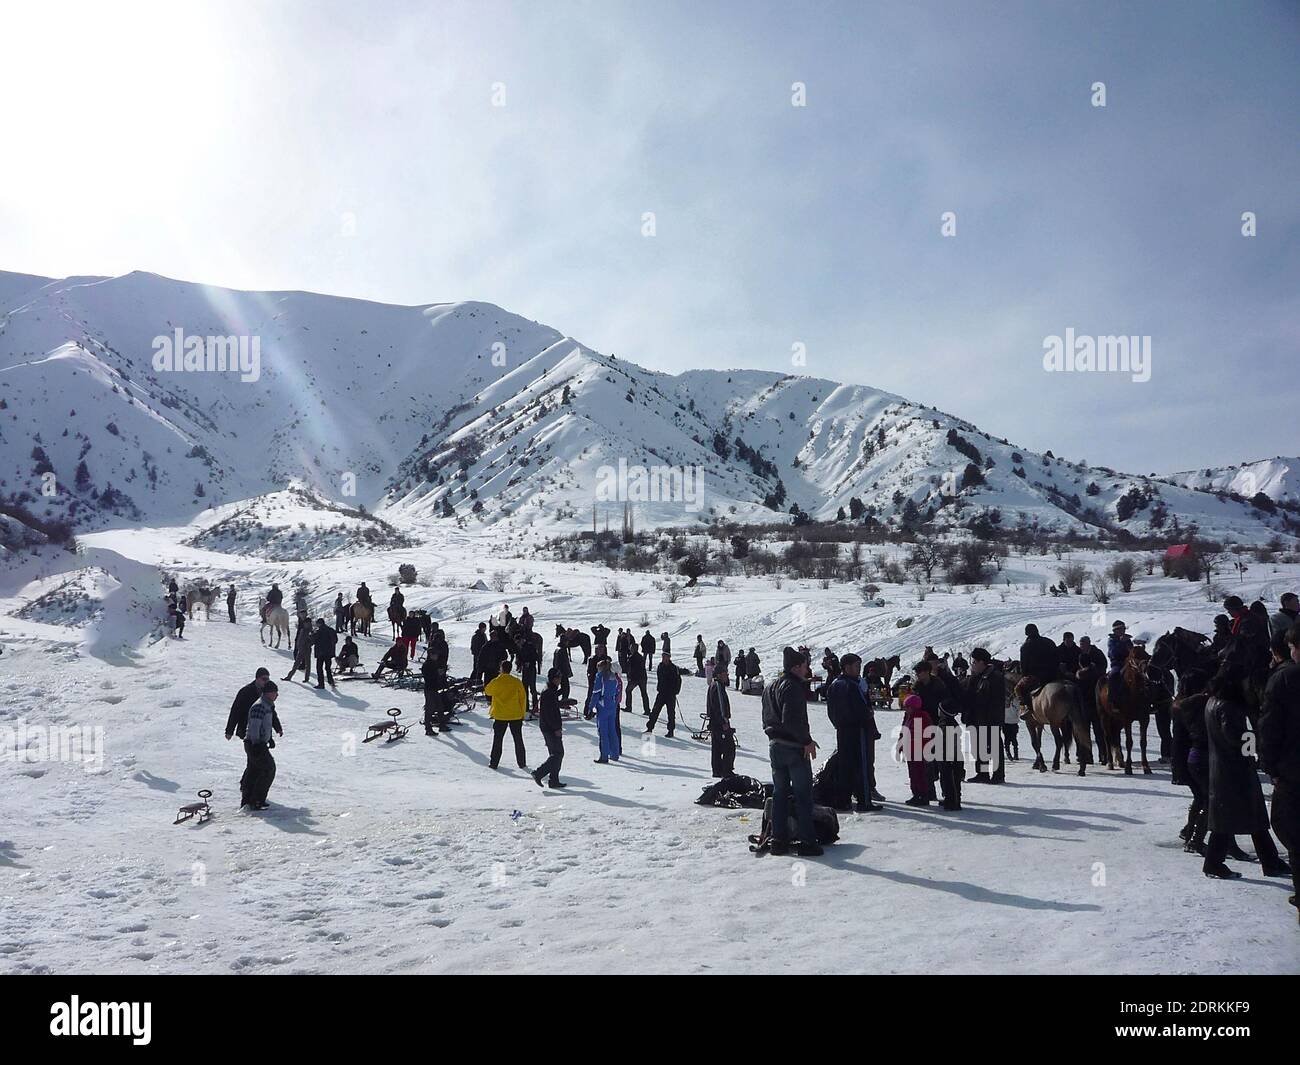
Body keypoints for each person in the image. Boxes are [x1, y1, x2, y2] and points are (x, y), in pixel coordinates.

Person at [1202, 664, 1291, 880]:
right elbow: (1236, 737)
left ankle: (1269, 860)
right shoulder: (1230, 707)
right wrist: (1254, 744)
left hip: (1224, 769)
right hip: (1234, 770)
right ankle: (1213, 863)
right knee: (1229, 820)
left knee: (1253, 817)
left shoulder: (1213, 702)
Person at [762, 647, 821, 856]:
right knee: (802, 795)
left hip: (775, 745)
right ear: (796, 667)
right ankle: (807, 842)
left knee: (779, 794)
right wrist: (806, 741)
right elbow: (792, 720)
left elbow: (768, 718)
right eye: (805, 666)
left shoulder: (770, 686)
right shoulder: (793, 687)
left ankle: (778, 840)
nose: (807, 670)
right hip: (794, 748)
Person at [1258, 622, 1300, 915]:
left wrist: (1269, 764)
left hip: (1292, 771)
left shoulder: (1284, 678)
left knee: (1288, 828)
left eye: (1294, 647)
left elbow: (1269, 728)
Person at [826, 653, 878, 812]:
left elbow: (831, 711)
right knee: (861, 764)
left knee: (845, 765)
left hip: (842, 730)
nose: (858, 669)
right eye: (856, 666)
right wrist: (868, 714)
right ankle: (864, 800)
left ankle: (843, 799)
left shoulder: (835, 684)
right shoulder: (851, 685)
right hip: (857, 729)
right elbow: (861, 709)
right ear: (847, 667)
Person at [966, 648, 1005, 784]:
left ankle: (998, 774)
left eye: (975, 662)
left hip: (991, 718)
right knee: (980, 748)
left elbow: (995, 701)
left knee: (994, 747)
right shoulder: (976, 677)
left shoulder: (995, 677)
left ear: (982, 662)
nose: (973, 665)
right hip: (978, 718)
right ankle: (982, 773)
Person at [242, 681, 283, 810]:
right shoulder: (260, 706)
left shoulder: (267, 705)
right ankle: (256, 800)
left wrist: (269, 738)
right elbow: (254, 726)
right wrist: (256, 744)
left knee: (254, 771)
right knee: (268, 769)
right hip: (255, 744)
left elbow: (264, 726)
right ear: (269, 693)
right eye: (275, 692)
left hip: (258, 743)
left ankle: (249, 799)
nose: (277, 695)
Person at [485, 660, 528, 771]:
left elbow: (488, 691)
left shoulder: (497, 681)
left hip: (500, 715)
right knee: (518, 739)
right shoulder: (516, 681)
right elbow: (523, 698)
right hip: (515, 714)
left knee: (498, 740)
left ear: (501, 668)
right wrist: (523, 713)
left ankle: (494, 763)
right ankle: (522, 762)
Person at [532, 669, 567, 788]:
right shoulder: (549, 692)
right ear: (554, 679)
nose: (560, 680)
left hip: (548, 727)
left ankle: (554, 780)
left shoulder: (550, 691)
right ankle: (539, 773)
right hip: (550, 728)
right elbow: (549, 714)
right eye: (558, 678)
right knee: (558, 753)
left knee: (555, 754)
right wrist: (556, 728)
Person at [900, 692, 934, 806]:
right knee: (913, 774)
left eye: (907, 707)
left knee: (920, 774)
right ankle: (916, 794)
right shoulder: (908, 717)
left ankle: (923, 795)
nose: (905, 709)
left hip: (919, 751)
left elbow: (926, 736)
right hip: (911, 751)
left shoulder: (921, 717)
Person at [590, 656, 623, 763]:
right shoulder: (614, 677)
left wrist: (591, 707)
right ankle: (615, 754)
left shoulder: (600, 677)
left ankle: (604, 755)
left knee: (603, 732)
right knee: (612, 730)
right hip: (612, 705)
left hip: (603, 705)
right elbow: (618, 691)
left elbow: (596, 693)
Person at [225, 668, 271, 741]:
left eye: (268, 679)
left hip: (261, 731)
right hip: (246, 731)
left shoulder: (267, 693)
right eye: (264, 679)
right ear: (257, 678)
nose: (266, 682)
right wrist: (229, 731)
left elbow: (270, 713)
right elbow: (235, 711)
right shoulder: (245, 691)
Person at [707, 667, 736, 777]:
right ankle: (726, 770)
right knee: (729, 747)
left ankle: (717, 770)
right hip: (719, 722)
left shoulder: (714, 685)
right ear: (719, 675)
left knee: (717, 747)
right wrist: (724, 721)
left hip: (715, 722)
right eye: (725, 674)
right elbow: (719, 706)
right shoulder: (718, 686)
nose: (726, 676)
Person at [647, 651, 681, 735]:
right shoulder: (660, 666)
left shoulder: (674, 668)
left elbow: (678, 680)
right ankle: (650, 728)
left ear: (669, 657)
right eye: (663, 657)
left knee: (671, 713)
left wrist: (676, 691)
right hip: (662, 693)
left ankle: (671, 731)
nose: (664, 659)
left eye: (665, 657)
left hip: (670, 694)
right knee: (655, 711)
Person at [1105, 621, 1133, 709]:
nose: (1123, 631)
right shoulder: (1112, 640)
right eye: (1121, 629)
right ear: (1116, 631)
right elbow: (1112, 653)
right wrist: (1121, 643)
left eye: (1124, 629)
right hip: (1118, 664)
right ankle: (1112, 700)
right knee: (1114, 675)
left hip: (1130, 663)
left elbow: (1131, 651)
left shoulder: (1127, 640)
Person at [283, 615, 314, 682]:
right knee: (296, 664)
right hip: (301, 649)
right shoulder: (303, 630)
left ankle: (306, 678)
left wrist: (308, 644)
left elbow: (312, 640)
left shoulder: (310, 631)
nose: (305, 624)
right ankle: (289, 677)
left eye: (306, 623)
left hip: (306, 649)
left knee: (307, 664)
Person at [623, 647, 651, 715]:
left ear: (633, 649)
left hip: (635, 678)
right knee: (644, 693)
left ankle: (628, 707)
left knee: (628, 690)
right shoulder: (641, 657)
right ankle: (647, 710)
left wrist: (629, 677)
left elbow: (630, 669)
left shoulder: (631, 658)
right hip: (643, 677)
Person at [312, 618, 338, 690]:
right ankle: (330, 681)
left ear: (319, 624)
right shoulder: (331, 630)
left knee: (319, 668)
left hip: (321, 653)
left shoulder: (318, 631)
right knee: (328, 668)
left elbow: (313, 640)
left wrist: (312, 634)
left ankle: (321, 684)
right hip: (329, 653)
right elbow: (335, 640)